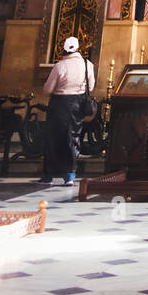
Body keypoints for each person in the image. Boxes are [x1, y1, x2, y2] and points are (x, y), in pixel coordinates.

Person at [41, 37, 96, 187]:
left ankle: (49, 174)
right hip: (78, 105)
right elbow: (90, 87)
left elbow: (48, 90)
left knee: (53, 138)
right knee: (73, 138)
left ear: (63, 49)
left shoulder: (60, 66)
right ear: (78, 48)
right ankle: (70, 176)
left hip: (59, 104)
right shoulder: (87, 65)